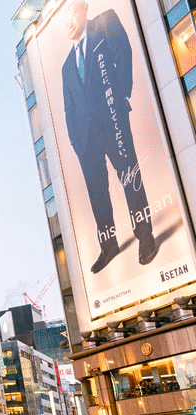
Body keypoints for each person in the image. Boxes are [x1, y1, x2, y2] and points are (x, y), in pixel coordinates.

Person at [61, 0, 158, 274]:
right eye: (64, 19)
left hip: (112, 120)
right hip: (86, 140)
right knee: (97, 194)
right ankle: (109, 245)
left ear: (84, 9)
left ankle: (145, 235)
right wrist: (75, 142)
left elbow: (123, 52)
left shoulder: (105, 23)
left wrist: (122, 95)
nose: (67, 22)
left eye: (71, 13)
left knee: (129, 176)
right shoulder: (66, 66)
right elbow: (69, 108)